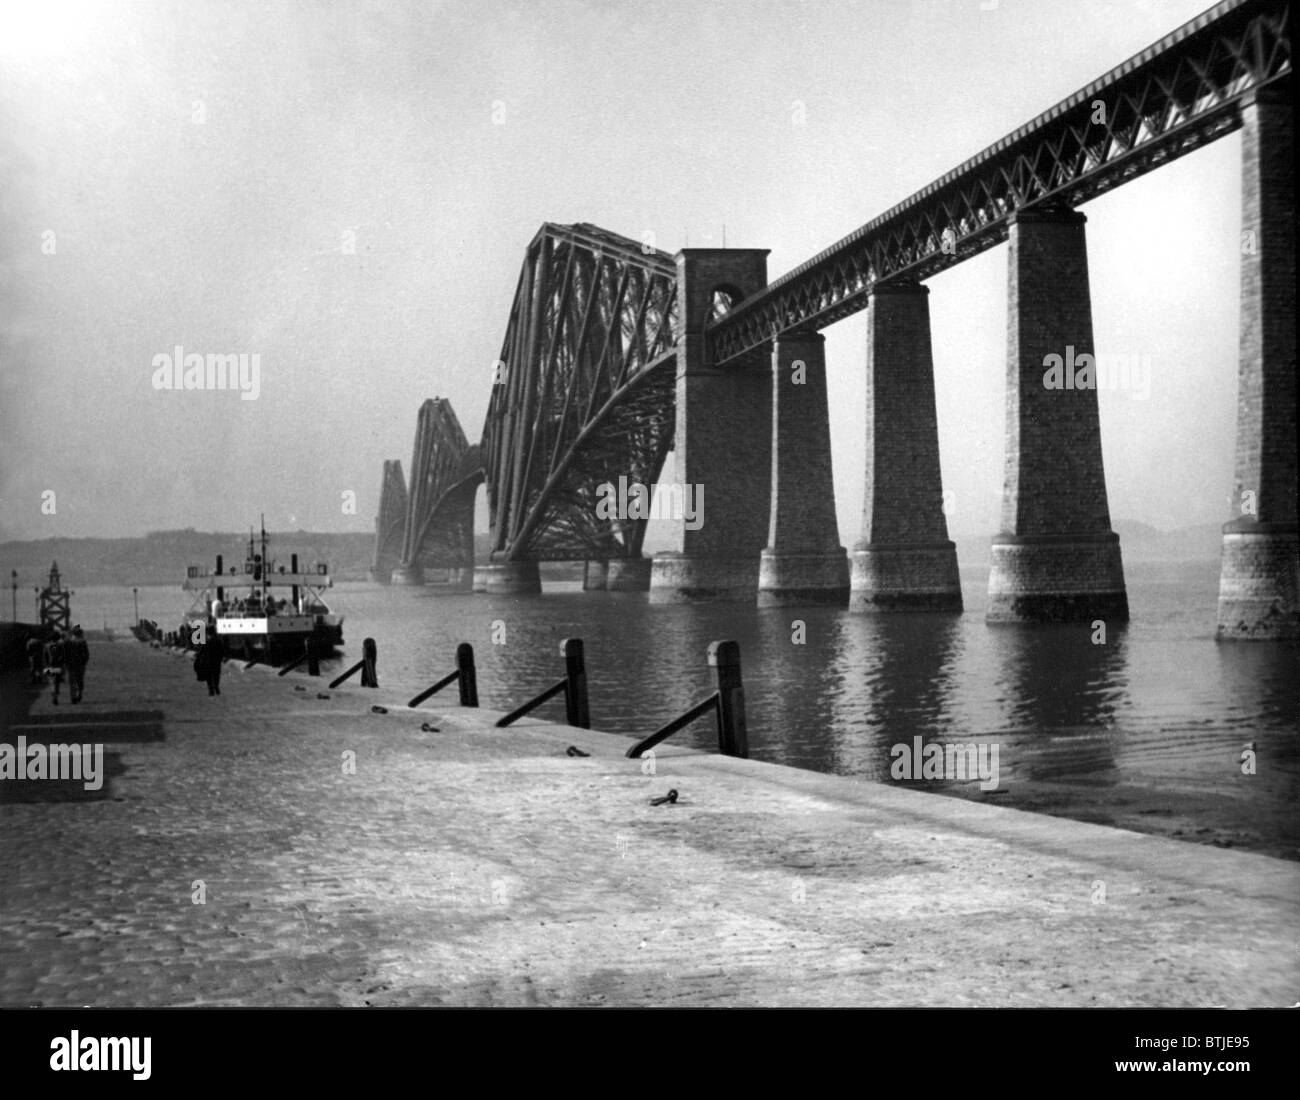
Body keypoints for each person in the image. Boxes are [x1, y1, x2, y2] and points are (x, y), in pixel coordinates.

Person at [195, 623, 225, 696]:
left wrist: (198, 656)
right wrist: (221, 658)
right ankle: (216, 687)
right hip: (216, 661)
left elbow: (202, 650)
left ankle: (211, 690)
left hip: (208, 661)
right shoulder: (218, 640)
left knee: (209, 676)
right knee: (216, 675)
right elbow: (222, 650)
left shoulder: (206, 640)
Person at [65, 625, 90, 704]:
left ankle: (73, 697)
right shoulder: (83, 642)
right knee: (80, 680)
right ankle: (79, 694)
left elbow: (65, 654)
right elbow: (86, 655)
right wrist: (84, 663)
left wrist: (66, 663)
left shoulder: (67, 642)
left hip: (71, 665)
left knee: (72, 682)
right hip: (80, 665)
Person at [44, 629, 66, 705]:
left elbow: (45, 656)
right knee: (57, 682)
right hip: (58, 666)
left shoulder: (47, 646)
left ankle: (53, 695)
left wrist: (46, 665)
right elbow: (63, 656)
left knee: (51, 682)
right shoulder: (60, 645)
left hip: (49, 666)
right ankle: (55, 697)